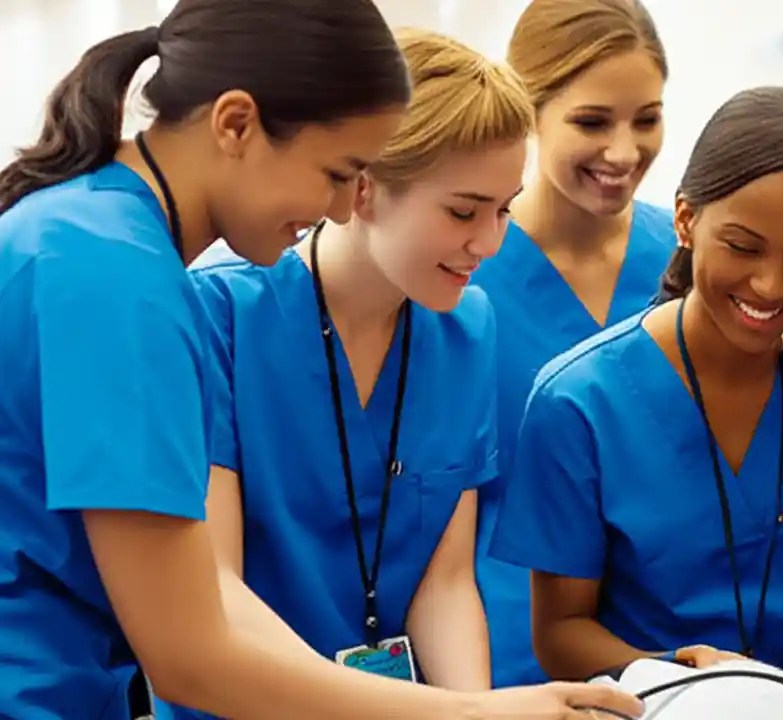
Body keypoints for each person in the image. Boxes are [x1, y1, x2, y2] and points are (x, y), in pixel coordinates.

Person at [0, 1, 642, 718]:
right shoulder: (125, 281)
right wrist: (474, 714)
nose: (340, 206)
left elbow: (441, 580)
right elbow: (190, 654)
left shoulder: (89, 236)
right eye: (337, 173)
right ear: (235, 125)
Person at [152, 29, 538, 719]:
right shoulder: (221, 314)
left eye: (505, 208)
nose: (490, 241)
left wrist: (476, 712)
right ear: (361, 187)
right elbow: (215, 590)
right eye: (463, 211)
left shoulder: (466, 329)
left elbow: (444, 584)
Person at [490, 85, 783, 683]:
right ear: (685, 220)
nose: (772, 285)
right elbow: (560, 632)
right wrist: (684, 678)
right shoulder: (579, 401)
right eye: (743, 248)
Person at [471, 0, 676, 689]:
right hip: (502, 658)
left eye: (646, 119)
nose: (624, 151)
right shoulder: (461, 269)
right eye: (592, 122)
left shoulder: (687, 265)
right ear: (530, 111)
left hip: (665, 661)